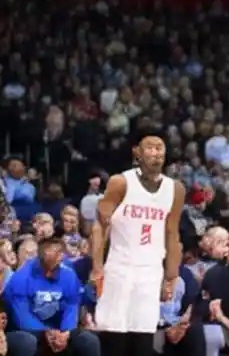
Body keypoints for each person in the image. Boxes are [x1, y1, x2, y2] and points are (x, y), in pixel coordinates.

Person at [89, 130, 185, 356]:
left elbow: (172, 233)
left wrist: (171, 276)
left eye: (160, 148)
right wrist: (96, 266)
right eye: (150, 147)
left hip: (151, 271)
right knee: (115, 337)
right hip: (119, 268)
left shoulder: (175, 189)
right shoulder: (120, 182)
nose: (155, 153)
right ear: (137, 153)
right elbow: (99, 226)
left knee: (143, 338)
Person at [5, 237, 100, 356]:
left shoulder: (68, 275)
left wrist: (66, 333)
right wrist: (45, 332)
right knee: (27, 341)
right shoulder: (21, 276)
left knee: (88, 340)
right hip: (29, 331)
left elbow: (71, 307)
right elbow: (22, 316)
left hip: (59, 331)